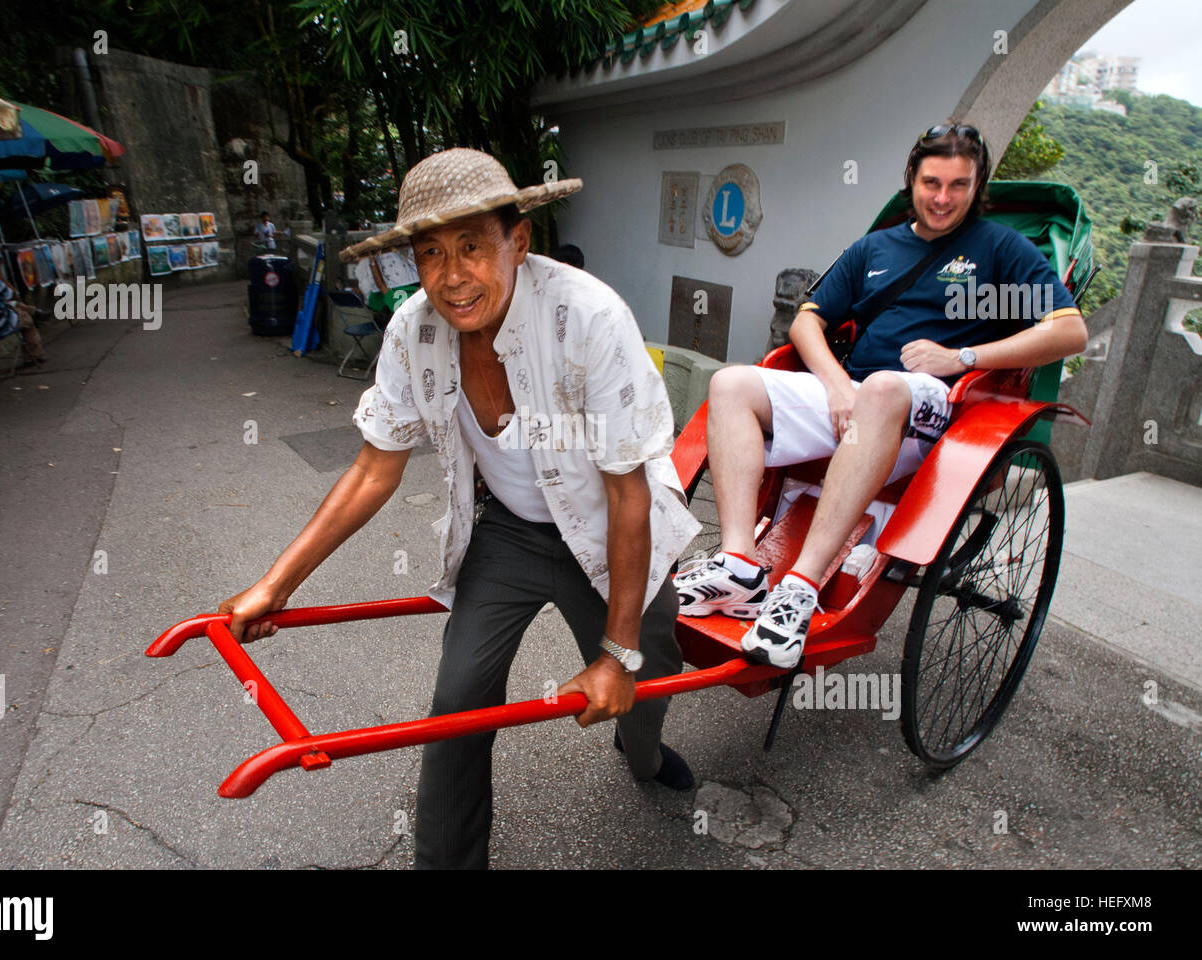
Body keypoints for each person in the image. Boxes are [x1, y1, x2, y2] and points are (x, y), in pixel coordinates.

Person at [219, 148, 701, 869]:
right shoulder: (413, 329)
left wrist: (616, 654)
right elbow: (372, 469)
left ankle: (642, 752)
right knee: (457, 710)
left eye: (473, 245)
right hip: (506, 534)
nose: (452, 276)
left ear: (519, 241)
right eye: (431, 253)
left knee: (646, 675)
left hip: (612, 527)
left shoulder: (588, 317)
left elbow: (628, 494)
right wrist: (276, 583)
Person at [676, 121, 1087, 669]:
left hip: (933, 412)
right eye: (931, 182)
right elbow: (807, 322)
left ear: (977, 185)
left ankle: (798, 588)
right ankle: (740, 564)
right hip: (855, 396)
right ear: (912, 180)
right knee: (731, 384)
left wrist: (962, 357)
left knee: (886, 388)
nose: (942, 198)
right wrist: (836, 383)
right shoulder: (876, 245)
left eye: (958, 185)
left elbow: (1069, 331)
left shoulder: (999, 249)